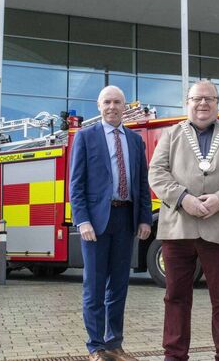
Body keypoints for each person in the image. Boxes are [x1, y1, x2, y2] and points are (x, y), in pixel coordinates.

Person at [148, 80, 219, 361]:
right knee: (175, 296)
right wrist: (182, 198)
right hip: (178, 228)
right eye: (197, 98)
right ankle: (174, 354)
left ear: (217, 102)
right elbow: (156, 172)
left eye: (209, 98)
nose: (203, 103)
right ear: (188, 102)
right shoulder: (171, 134)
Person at [69, 85, 153, 361]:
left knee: (118, 286)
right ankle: (95, 346)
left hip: (125, 219)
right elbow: (76, 185)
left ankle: (114, 344)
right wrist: (82, 220)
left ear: (124, 107)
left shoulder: (135, 141)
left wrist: (144, 218)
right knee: (94, 286)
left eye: (117, 102)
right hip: (95, 222)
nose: (112, 107)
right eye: (107, 102)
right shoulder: (85, 137)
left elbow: (142, 183)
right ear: (99, 106)